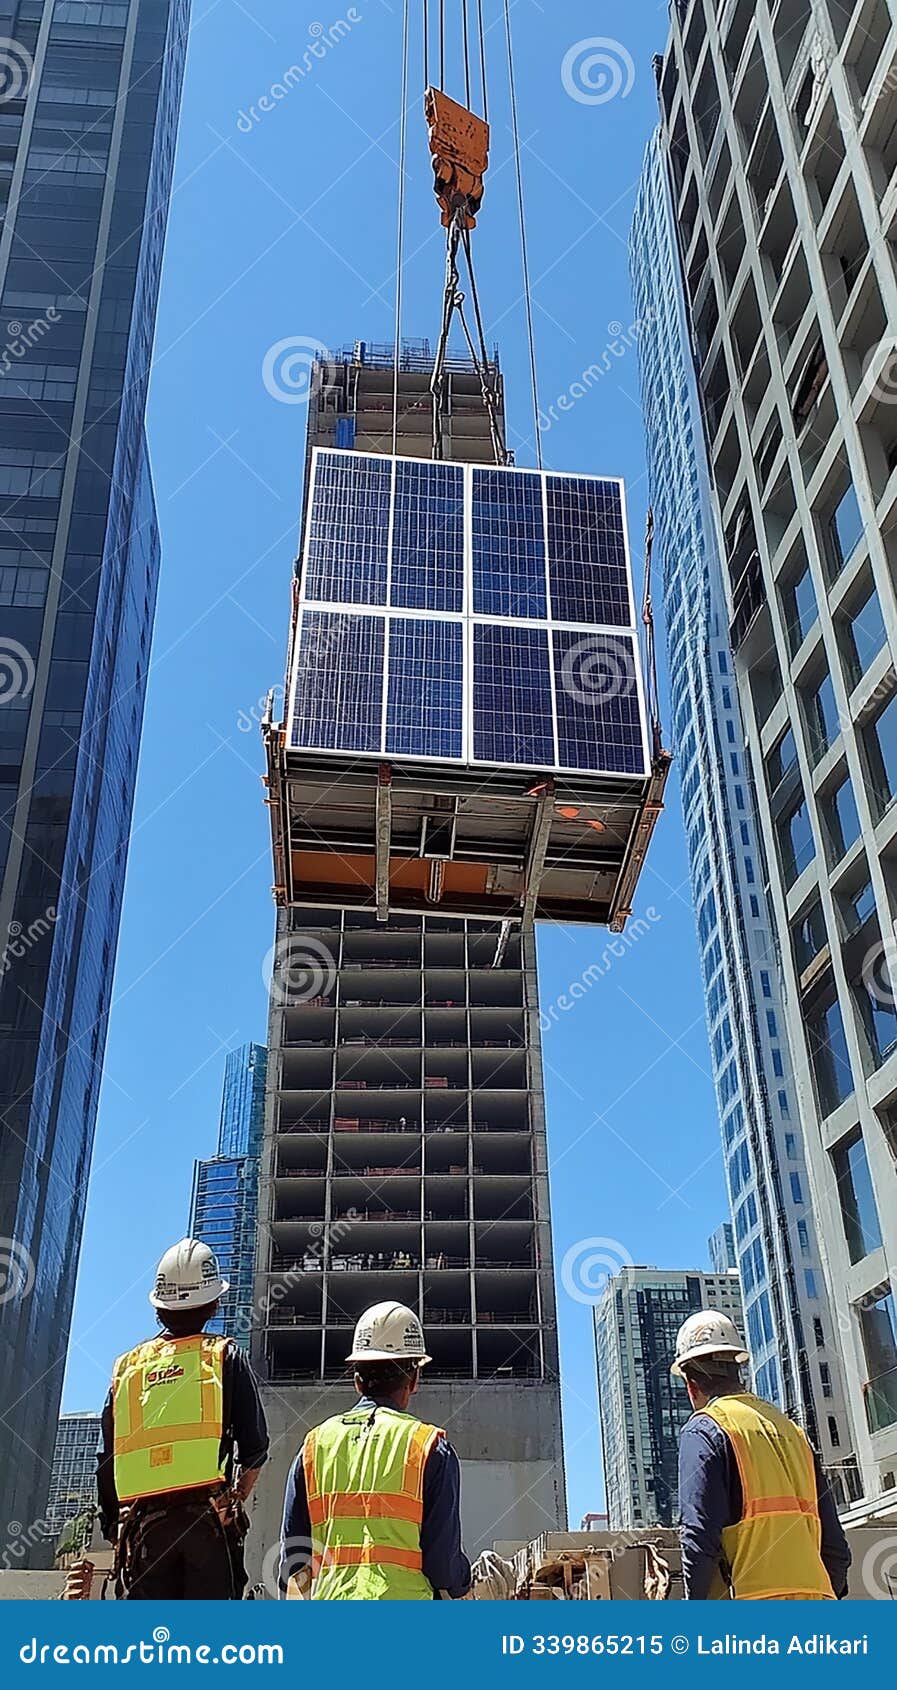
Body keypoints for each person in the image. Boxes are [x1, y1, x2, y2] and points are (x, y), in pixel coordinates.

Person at [97, 1238, 269, 1600]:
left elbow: (106, 1460)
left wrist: (115, 1527)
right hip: (208, 1525)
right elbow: (255, 1447)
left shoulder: (128, 1370)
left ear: (159, 1306)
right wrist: (235, 1498)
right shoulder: (225, 1357)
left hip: (145, 1531)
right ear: (214, 1303)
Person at [280, 1300, 471, 1600]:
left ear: (357, 1380)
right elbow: (442, 1567)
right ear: (414, 1379)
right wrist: (465, 1579)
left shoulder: (314, 1447)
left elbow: (295, 1560)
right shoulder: (430, 1448)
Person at [673, 1309, 851, 1601]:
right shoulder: (793, 1432)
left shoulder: (705, 1429)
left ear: (691, 1387)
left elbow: (698, 1537)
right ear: (737, 1370)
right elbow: (835, 1549)